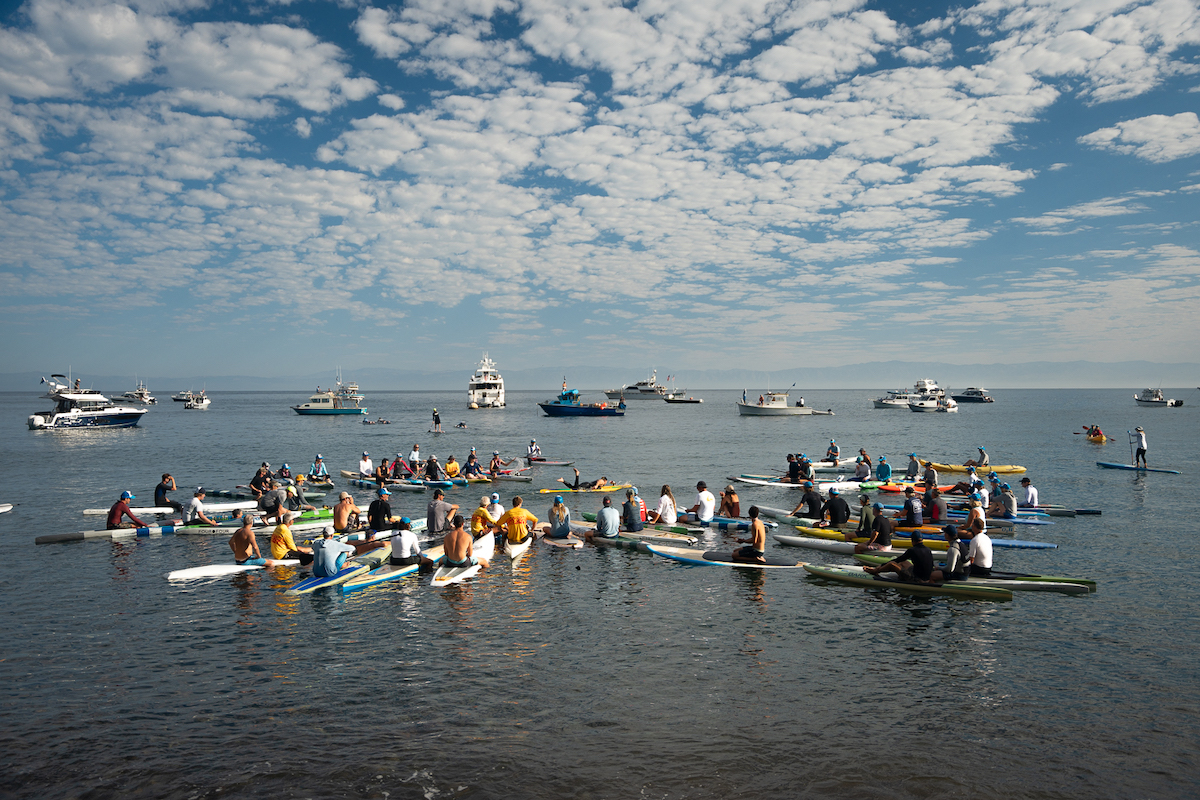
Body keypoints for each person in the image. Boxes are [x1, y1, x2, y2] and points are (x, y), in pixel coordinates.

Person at [863, 530, 935, 584]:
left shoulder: (912, 550)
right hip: (927, 577)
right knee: (904, 562)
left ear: (912, 540)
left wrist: (882, 565)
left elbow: (897, 560)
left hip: (917, 580)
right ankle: (886, 571)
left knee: (892, 564)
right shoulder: (928, 549)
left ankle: (875, 571)